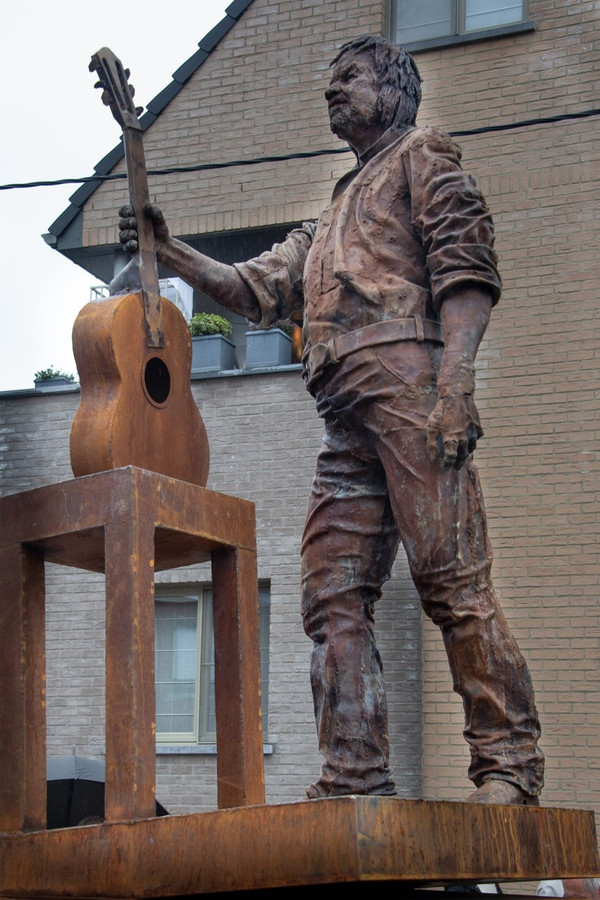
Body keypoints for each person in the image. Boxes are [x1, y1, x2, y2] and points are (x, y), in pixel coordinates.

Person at [111, 35, 544, 804]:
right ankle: (355, 774)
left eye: (350, 78)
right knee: (331, 593)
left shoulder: (423, 156)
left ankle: (508, 764)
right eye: (330, 80)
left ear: (395, 89)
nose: (331, 91)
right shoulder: (333, 212)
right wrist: (167, 247)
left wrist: (456, 385)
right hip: (343, 415)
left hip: (410, 387)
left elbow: (466, 271)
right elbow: (251, 287)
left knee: (452, 580)